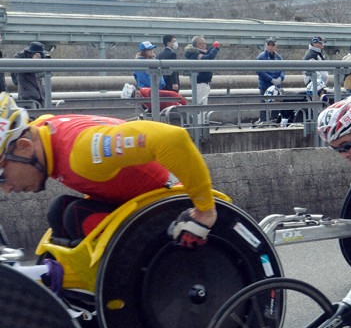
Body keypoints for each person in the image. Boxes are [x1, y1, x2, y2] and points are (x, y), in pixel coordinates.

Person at [0, 92, 217, 247]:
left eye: (2, 175)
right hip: (131, 202)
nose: (7, 188)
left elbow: (172, 138)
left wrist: (205, 210)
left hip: (169, 207)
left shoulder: (86, 151)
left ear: (24, 147)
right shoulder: (41, 130)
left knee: (79, 219)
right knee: (60, 211)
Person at [183, 36, 220, 105]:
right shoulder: (195, 54)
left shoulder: (198, 52)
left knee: (202, 104)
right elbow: (209, 57)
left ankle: (199, 116)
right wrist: (215, 48)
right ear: (198, 44)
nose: (205, 45)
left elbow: (207, 54)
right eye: (204, 43)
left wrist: (213, 47)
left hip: (202, 83)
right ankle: (198, 116)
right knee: (201, 106)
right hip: (200, 83)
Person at [12, 42, 47, 109]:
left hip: (41, 95)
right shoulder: (21, 58)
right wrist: (32, 62)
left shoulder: (42, 57)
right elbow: (18, 71)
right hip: (27, 96)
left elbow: (47, 74)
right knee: (30, 117)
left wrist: (40, 62)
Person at [302, 36, 328, 102]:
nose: (323, 44)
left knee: (318, 104)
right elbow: (310, 70)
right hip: (315, 84)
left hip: (318, 84)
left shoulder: (318, 53)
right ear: (314, 43)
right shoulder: (312, 54)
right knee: (316, 104)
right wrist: (320, 81)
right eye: (321, 43)